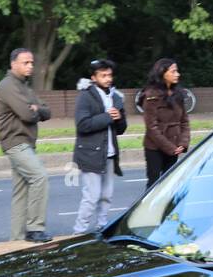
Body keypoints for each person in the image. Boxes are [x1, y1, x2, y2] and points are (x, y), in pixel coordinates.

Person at [0, 47, 53, 242]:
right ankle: (35, 228)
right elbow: (27, 114)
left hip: (26, 143)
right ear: (13, 64)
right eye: (25, 62)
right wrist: (35, 110)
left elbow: (47, 111)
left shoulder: (25, 88)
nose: (30, 66)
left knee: (21, 192)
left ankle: (17, 239)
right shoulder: (7, 85)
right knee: (40, 177)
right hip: (15, 142)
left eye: (31, 63)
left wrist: (37, 108)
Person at [72, 59, 128, 234]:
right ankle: (78, 231)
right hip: (90, 154)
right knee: (92, 196)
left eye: (109, 75)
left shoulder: (116, 97)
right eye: (103, 75)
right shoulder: (86, 96)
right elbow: (82, 125)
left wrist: (119, 118)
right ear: (93, 77)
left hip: (110, 154)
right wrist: (108, 117)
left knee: (106, 196)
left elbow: (121, 129)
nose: (107, 78)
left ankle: (102, 227)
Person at [138, 58, 190, 187]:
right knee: (154, 185)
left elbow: (184, 122)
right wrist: (170, 148)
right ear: (162, 73)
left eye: (177, 71)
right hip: (155, 148)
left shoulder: (178, 94)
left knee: (170, 185)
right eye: (173, 71)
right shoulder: (151, 96)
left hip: (175, 145)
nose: (177, 74)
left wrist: (183, 143)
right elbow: (152, 127)